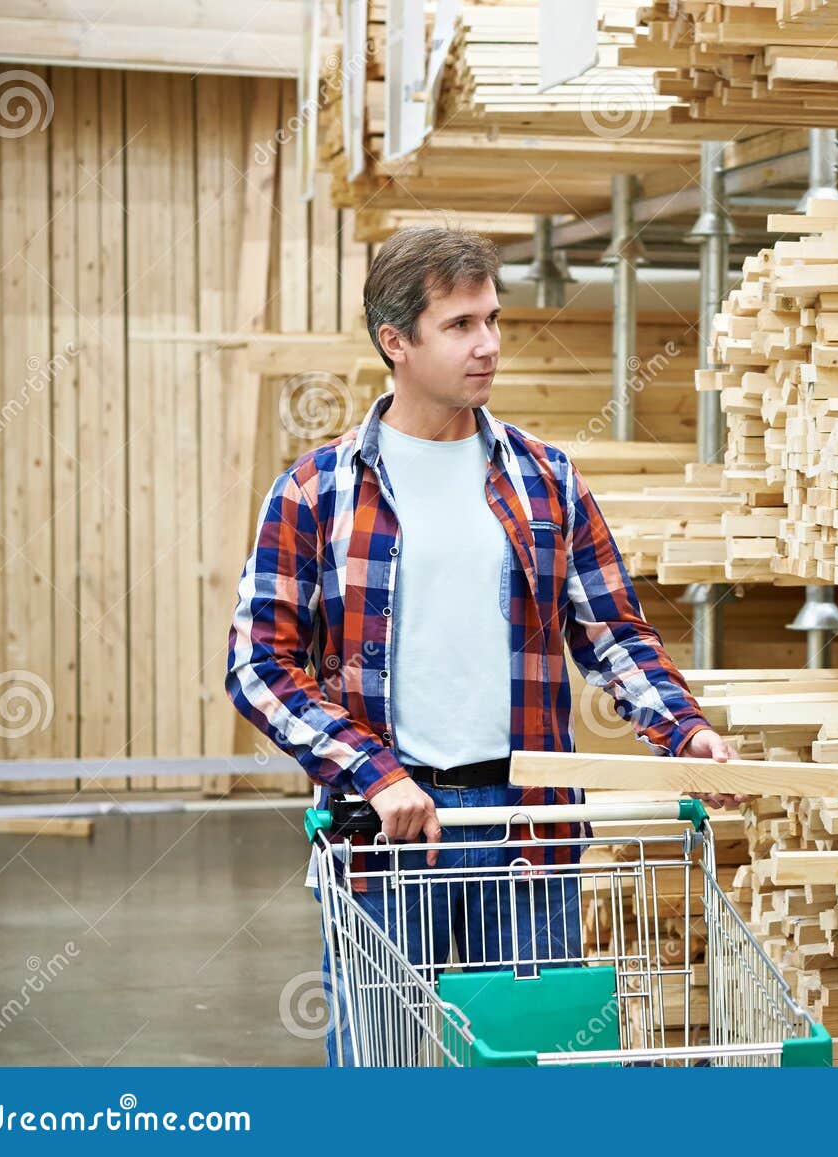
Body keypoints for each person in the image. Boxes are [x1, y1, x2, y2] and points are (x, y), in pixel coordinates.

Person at [226, 227, 741, 1065]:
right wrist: (372, 771)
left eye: (493, 319)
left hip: (527, 831)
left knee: (536, 1079)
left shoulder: (546, 479)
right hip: (387, 840)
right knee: (383, 1080)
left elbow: (613, 633)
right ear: (396, 341)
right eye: (461, 325)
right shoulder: (316, 491)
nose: (489, 344)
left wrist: (687, 733)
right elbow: (259, 665)